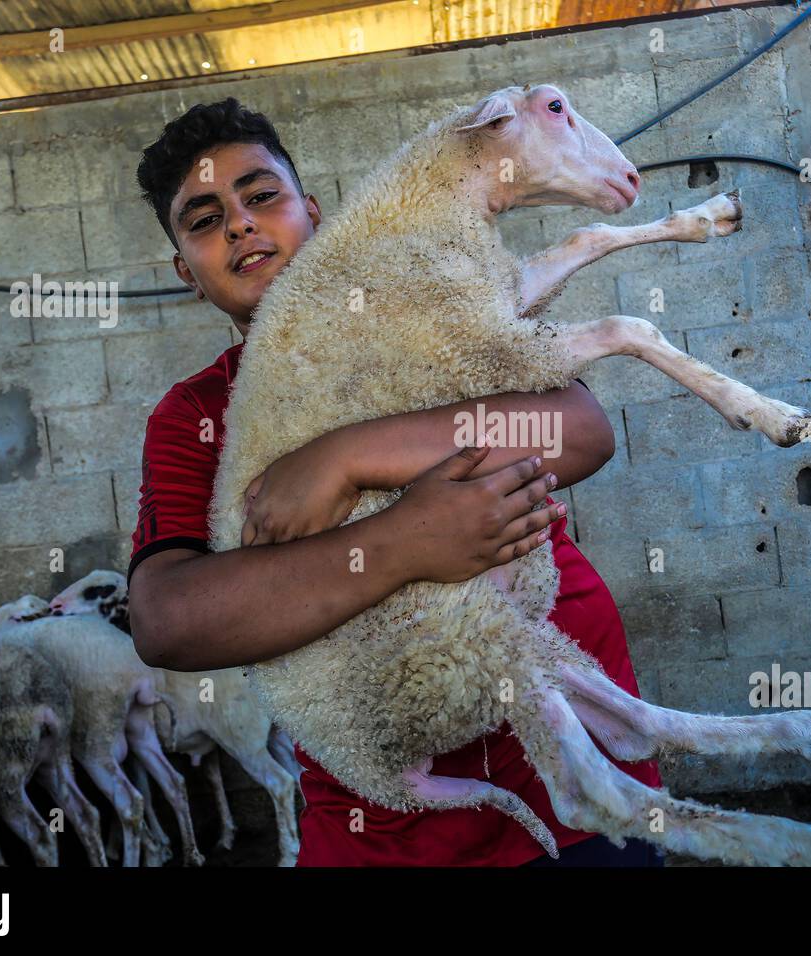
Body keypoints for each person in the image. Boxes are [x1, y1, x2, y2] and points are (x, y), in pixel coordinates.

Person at [127, 97, 664, 867]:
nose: (241, 224)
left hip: (580, 786)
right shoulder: (196, 416)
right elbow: (170, 621)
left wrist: (344, 457)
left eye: (261, 196)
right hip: (384, 832)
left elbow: (578, 433)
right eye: (205, 219)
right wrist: (404, 544)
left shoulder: (421, 308)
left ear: (311, 213)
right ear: (187, 271)